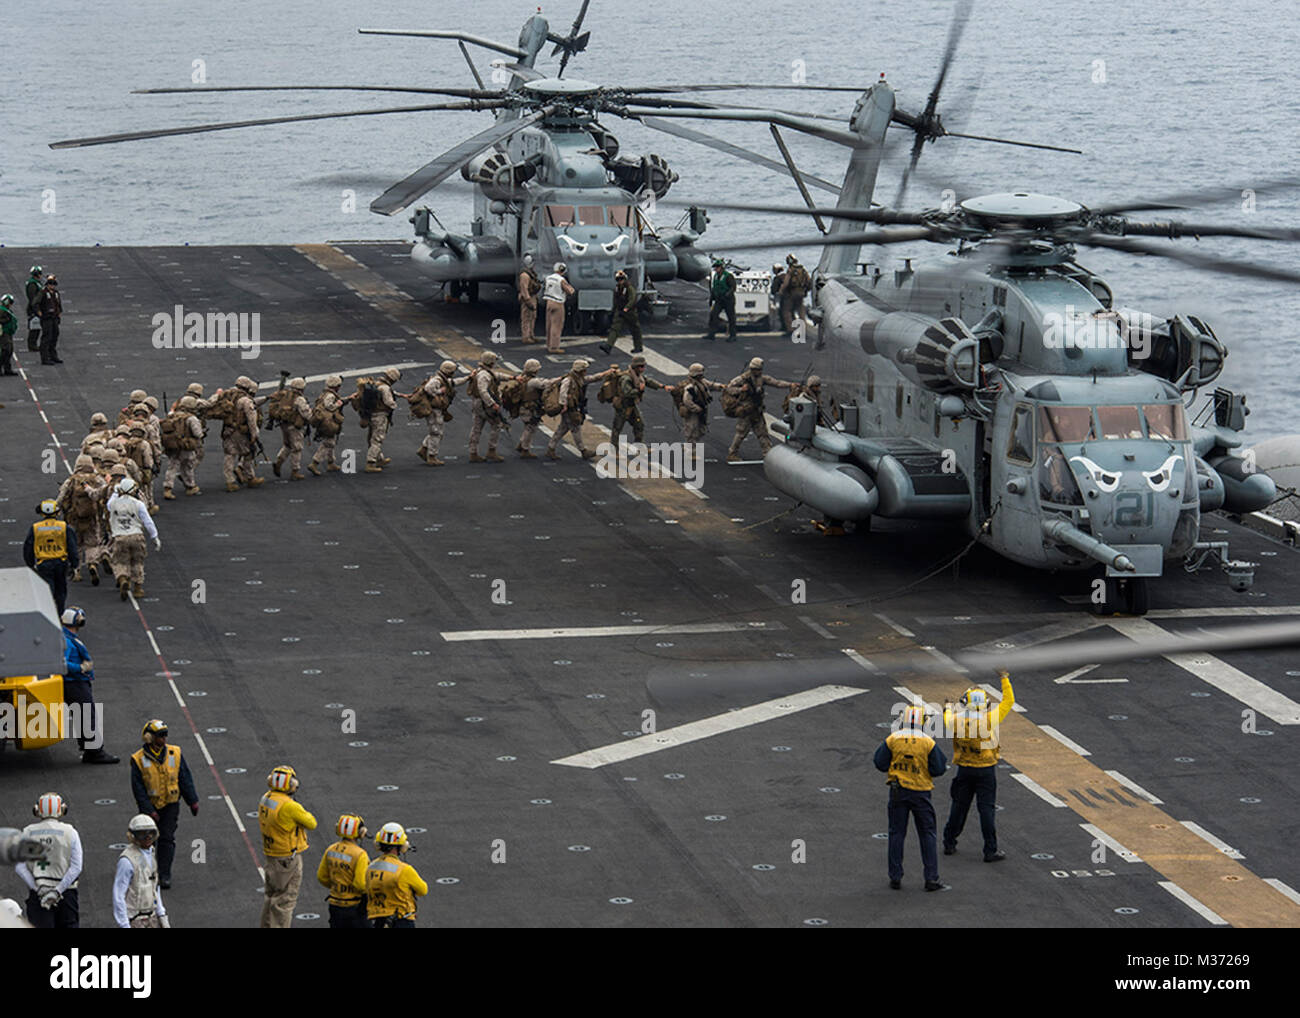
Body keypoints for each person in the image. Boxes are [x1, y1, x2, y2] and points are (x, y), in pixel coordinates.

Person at [873, 703, 949, 891]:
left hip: (898, 791)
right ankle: (931, 878)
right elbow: (939, 768)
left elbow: (880, 763)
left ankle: (895, 876)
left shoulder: (893, 739)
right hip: (921, 792)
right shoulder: (927, 742)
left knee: (896, 833)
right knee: (927, 834)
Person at [942, 672, 1015, 862]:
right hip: (986, 769)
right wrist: (1004, 677)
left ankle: (949, 842)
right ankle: (990, 850)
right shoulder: (989, 720)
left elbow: (947, 718)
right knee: (986, 810)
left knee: (959, 807)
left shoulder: (956, 721)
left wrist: (948, 708)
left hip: (965, 768)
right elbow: (1009, 701)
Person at [129, 719, 199, 889]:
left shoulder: (175, 753)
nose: (164, 738)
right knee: (147, 841)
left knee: (167, 838)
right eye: (160, 735)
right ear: (149, 737)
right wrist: (148, 810)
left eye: (165, 735)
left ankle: (165, 873)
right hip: (150, 808)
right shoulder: (138, 760)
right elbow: (138, 789)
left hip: (170, 805)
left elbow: (184, 778)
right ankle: (147, 872)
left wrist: (193, 801)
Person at [258, 765, 317, 928]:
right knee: (284, 902)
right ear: (291, 785)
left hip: (271, 854)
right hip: (287, 858)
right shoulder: (290, 806)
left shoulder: (266, 798)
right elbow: (312, 823)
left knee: (270, 897)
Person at [15, 793, 83, 928]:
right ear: (62, 810)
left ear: (37, 810)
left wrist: (38, 888)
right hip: (66, 894)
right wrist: (57, 891)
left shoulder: (27, 832)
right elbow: (76, 867)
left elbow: (19, 867)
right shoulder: (70, 832)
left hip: (38, 895)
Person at [61, 607, 119, 764]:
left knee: (82, 716)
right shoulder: (68, 641)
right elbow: (62, 663)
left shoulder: (65, 636)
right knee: (87, 715)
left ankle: (88, 750)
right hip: (75, 683)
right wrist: (80, 668)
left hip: (73, 683)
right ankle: (95, 752)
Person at [725, 357, 795, 462]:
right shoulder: (742, 379)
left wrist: (790, 385)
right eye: (758, 370)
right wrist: (741, 390)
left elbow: (776, 383)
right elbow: (728, 389)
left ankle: (767, 453)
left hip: (757, 411)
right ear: (753, 369)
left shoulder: (762, 378)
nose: (760, 372)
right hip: (746, 411)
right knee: (741, 433)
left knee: (762, 433)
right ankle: (732, 453)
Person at [545, 359, 616, 460]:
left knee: (562, 428)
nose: (586, 371)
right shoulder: (569, 380)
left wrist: (605, 373)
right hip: (570, 409)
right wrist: (563, 405)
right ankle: (583, 450)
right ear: (580, 370)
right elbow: (563, 392)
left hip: (571, 407)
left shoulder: (578, 379)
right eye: (584, 369)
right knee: (575, 427)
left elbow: (593, 378)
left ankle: (551, 448)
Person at [105, 477, 159, 600]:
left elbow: (108, 505)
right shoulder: (138, 504)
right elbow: (148, 522)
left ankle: (123, 578)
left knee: (120, 561)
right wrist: (155, 537)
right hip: (136, 536)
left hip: (120, 537)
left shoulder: (113, 504)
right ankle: (138, 588)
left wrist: (115, 491)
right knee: (137, 562)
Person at [365, 823, 428, 928]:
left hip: (379, 922)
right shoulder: (404, 870)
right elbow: (423, 890)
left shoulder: (370, 867)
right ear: (403, 846)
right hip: (401, 921)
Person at [57, 455, 107, 583]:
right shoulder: (97, 479)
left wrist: (56, 510)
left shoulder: (72, 480)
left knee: (76, 544)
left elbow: (62, 496)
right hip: (92, 516)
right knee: (92, 543)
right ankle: (92, 563)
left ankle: (76, 571)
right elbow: (106, 491)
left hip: (74, 517)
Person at [114, 815, 170, 928]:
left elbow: (155, 887)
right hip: (135, 920)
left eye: (151, 833)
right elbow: (118, 895)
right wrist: (124, 924)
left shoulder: (151, 853)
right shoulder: (127, 860)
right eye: (142, 834)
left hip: (152, 918)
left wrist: (161, 914)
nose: (148, 837)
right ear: (133, 836)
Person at [23, 498, 77, 615]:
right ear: (57, 512)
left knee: (48, 589)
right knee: (61, 590)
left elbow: (28, 546)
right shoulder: (64, 527)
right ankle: (60, 613)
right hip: (61, 562)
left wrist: (30, 563)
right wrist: (74, 564)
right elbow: (72, 547)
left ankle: (48, 613)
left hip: (44, 563)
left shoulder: (36, 528)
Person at [316, 813, 370, 928]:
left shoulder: (330, 849)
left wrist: (338, 886)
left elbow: (322, 877)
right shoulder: (360, 854)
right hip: (354, 906)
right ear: (361, 833)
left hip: (335, 904)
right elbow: (360, 884)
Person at [610, 353, 670, 446]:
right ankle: (614, 449)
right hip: (622, 406)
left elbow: (648, 381)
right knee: (617, 428)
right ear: (635, 367)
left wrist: (662, 386)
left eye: (643, 366)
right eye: (641, 366)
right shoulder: (626, 378)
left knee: (639, 425)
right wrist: (639, 390)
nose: (643, 369)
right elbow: (627, 393)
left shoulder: (638, 376)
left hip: (632, 405)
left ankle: (639, 445)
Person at [412, 361, 462, 466]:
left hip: (436, 410)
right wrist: (440, 392)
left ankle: (424, 449)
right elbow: (428, 389)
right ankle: (432, 457)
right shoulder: (437, 380)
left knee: (435, 431)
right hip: (434, 411)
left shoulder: (442, 379)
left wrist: (467, 378)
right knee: (436, 433)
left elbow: (453, 382)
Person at [222, 376, 264, 491]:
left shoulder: (227, 395)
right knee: (248, 453)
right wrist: (255, 434)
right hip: (240, 432)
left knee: (229, 455)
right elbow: (251, 419)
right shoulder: (245, 400)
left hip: (227, 430)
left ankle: (229, 481)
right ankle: (250, 478)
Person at [353, 368, 399, 473]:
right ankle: (371, 462)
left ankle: (379, 458)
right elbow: (388, 402)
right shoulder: (386, 388)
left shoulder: (376, 384)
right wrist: (394, 405)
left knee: (371, 437)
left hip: (371, 415)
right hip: (380, 416)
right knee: (377, 439)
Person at [467, 351, 510, 463]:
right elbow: (483, 391)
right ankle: (491, 450)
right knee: (496, 425)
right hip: (484, 405)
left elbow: (496, 376)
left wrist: (512, 377)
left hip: (479, 403)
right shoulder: (484, 375)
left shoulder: (482, 372)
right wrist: (492, 403)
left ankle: (473, 452)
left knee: (477, 427)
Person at [515, 359, 561, 458]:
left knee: (528, 427)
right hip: (529, 409)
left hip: (524, 407)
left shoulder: (523, 379)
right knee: (531, 428)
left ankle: (521, 444)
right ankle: (525, 449)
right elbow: (547, 383)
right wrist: (559, 379)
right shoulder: (533, 381)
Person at [161, 396, 205, 498]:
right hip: (187, 446)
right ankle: (190, 486)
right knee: (188, 467)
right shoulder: (191, 418)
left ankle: (168, 489)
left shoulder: (172, 416)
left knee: (172, 467)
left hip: (173, 446)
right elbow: (198, 434)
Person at [271, 377, 313, 480]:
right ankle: (295, 471)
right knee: (297, 448)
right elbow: (306, 413)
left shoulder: (284, 394)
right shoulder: (299, 399)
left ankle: (278, 462)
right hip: (294, 426)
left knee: (287, 445)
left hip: (283, 425)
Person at [308, 376, 346, 474]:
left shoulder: (324, 394)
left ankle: (331, 462)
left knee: (331, 441)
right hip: (328, 422)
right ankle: (315, 463)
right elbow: (330, 406)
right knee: (329, 443)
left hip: (323, 422)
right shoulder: (330, 396)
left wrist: (347, 399)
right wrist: (339, 404)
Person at [679, 363, 726, 442]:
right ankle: (691, 452)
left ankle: (691, 449)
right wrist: (697, 409)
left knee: (700, 430)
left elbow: (710, 385)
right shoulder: (690, 387)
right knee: (692, 431)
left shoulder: (701, 382)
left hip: (701, 409)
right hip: (693, 412)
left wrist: (720, 386)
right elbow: (687, 401)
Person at [598, 270, 642, 354]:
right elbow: (615, 300)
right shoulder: (617, 288)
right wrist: (613, 310)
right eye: (618, 279)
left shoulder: (629, 288)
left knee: (635, 329)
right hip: (620, 310)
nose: (620, 281)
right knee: (615, 328)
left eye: (621, 279)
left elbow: (632, 299)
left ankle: (638, 346)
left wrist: (627, 308)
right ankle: (608, 346)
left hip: (630, 312)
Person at [543, 262, 575, 353]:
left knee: (549, 325)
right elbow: (570, 291)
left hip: (549, 302)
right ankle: (554, 347)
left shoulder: (548, 278)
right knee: (556, 326)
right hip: (558, 303)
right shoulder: (561, 280)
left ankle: (549, 344)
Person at [706, 259, 737, 341]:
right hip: (719, 300)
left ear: (721, 268)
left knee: (731, 318)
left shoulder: (728, 276)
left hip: (728, 300)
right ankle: (712, 334)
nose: (715, 269)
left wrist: (727, 295)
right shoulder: (716, 276)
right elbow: (714, 288)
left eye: (717, 267)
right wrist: (711, 298)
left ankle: (733, 335)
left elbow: (733, 287)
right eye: (715, 268)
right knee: (713, 315)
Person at [780, 253, 811, 334]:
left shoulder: (790, 270)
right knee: (801, 312)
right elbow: (809, 282)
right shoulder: (803, 270)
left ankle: (790, 330)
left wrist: (781, 291)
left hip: (791, 293)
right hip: (801, 293)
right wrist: (806, 291)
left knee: (787, 311)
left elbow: (786, 283)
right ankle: (803, 331)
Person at [38, 274, 63, 364]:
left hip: (54, 317)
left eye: (53, 284)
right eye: (50, 284)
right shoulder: (43, 293)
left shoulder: (56, 293)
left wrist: (59, 313)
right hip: (46, 318)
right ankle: (44, 358)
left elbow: (58, 304)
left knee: (54, 336)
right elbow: (35, 303)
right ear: (47, 284)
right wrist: (39, 313)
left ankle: (53, 355)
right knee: (46, 337)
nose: (52, 286)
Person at [518, 254, 541, 343]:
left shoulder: (530, 273)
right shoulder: (525, 275)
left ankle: (531, 335)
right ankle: (526, 337)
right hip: (528, 297)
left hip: (532, 296)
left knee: (533, 317)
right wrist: (527, 300)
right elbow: (524, 289)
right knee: (526, 318)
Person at [24, 265, 44, 352]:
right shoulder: (32, 284)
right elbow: (32, 298)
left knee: (37, 327)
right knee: (34, 327)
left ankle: (33, 344)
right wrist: (36, 309)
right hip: (34, 308)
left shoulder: (37, 282)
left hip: (37, 307)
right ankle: (32, 345)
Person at [0, 293, 18, 376]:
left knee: (9, 350)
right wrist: (7, 320)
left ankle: (7, 368)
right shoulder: (2, 310)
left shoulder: (6, 310)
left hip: (8, 332)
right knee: (6, 350)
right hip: (4, 332)